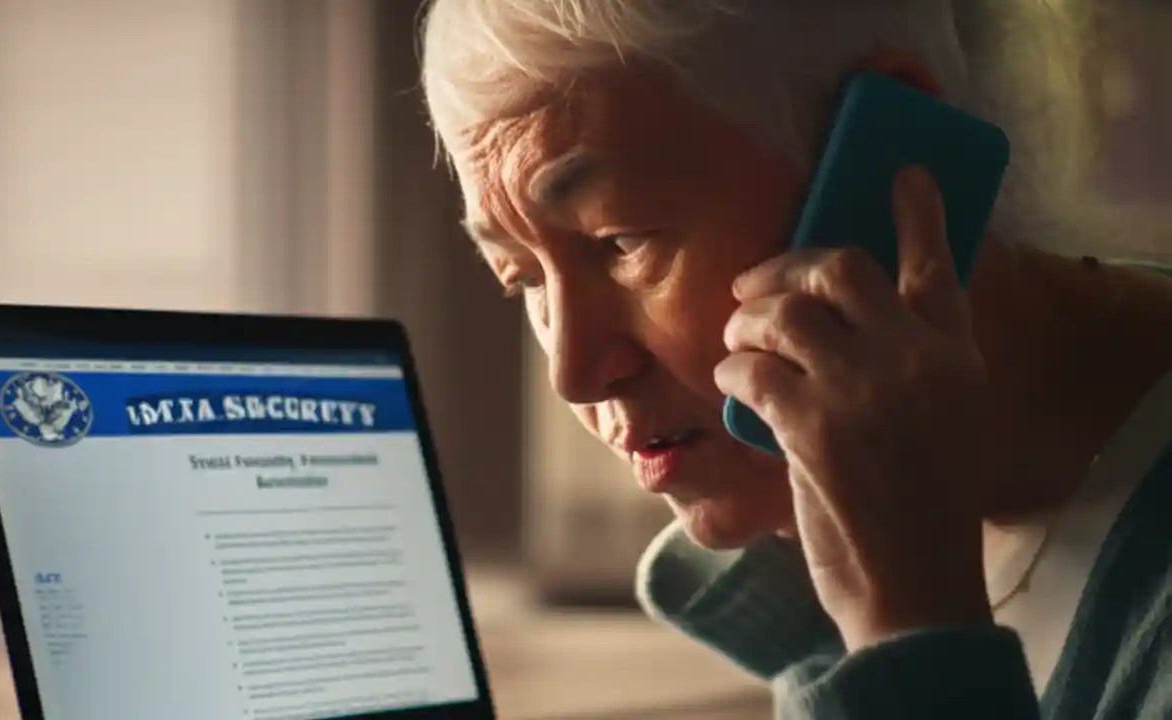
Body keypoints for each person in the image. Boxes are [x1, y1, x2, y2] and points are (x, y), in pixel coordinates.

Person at [418, 1, 1172, 717]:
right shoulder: (810, 542)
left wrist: (911, 634)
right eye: (521, 279)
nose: (573, 373)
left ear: (891, 157)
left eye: (622, 240)